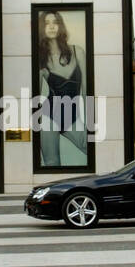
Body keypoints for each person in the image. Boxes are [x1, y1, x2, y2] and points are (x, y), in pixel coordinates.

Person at [38, 10, 88, 165]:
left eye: (55, 22)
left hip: (73, 116)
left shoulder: (77, 51)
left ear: (60, 26)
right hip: (48, 116)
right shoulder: (40, 59)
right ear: (42, 28)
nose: (52, 27)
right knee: (52, 164)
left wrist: (90, 123)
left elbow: (87, 91)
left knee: (93, 148)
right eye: (47, 23)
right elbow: (36, 96)